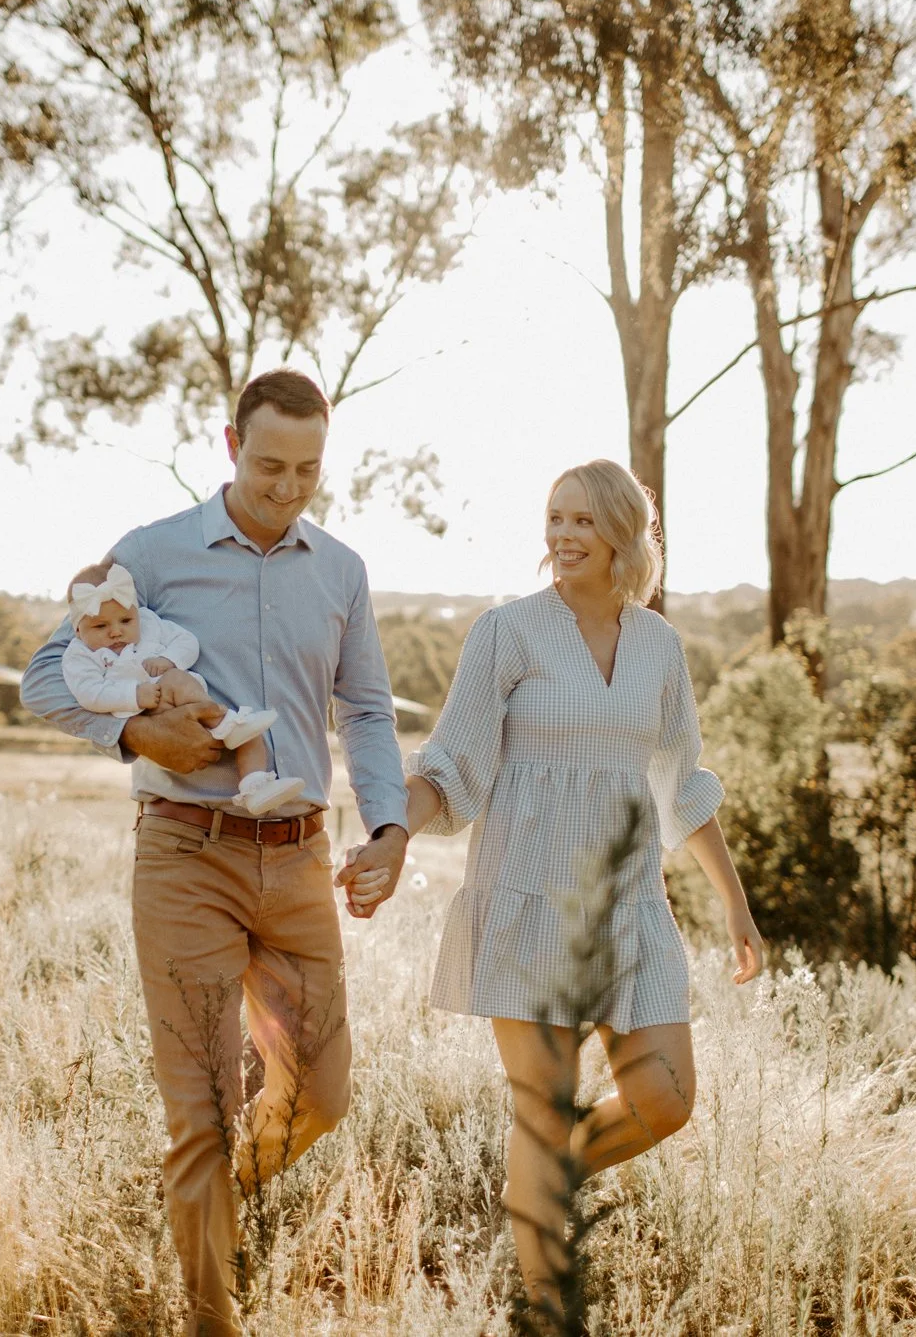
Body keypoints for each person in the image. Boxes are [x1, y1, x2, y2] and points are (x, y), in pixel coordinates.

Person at [21, 368, 409, 1337]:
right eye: (269, 465)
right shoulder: (150, 556)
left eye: (308, 470)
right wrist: (132, 737)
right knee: (199, 1109)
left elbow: (362, 708)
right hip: (185, 856)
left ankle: (208, 1197)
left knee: (321, 1093)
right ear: (231, 448)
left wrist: (389, 830)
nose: (286, 488)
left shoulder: (341, 571)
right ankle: (208, 1312)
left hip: (300, 860)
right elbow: (43, 676)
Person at [342, 459, 766, 1317]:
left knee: (667, 1098)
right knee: (541, 1107)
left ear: (623, 535)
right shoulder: (509, 632)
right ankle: (544, 1298)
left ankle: (537, 1184)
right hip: (528, 896)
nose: (563, 536)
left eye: (583, 521)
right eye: (555, 518)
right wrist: (394, 834)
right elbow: (453, 765)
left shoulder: (659, 645)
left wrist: (736, 904)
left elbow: (682, 783)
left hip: (631, 904)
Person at [61, 559, 304, 815]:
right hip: (152, 720)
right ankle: (225, 724)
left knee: (250, 735)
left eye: (125, 621)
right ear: (78, 630)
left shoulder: (149, 623)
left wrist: (169, 660)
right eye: (101, 626)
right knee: (181, 683)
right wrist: (134, 696)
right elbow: (89, 693)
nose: (116, 632)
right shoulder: (79, 655)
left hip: (191, 703)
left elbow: (187, 641)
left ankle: (254, 786)